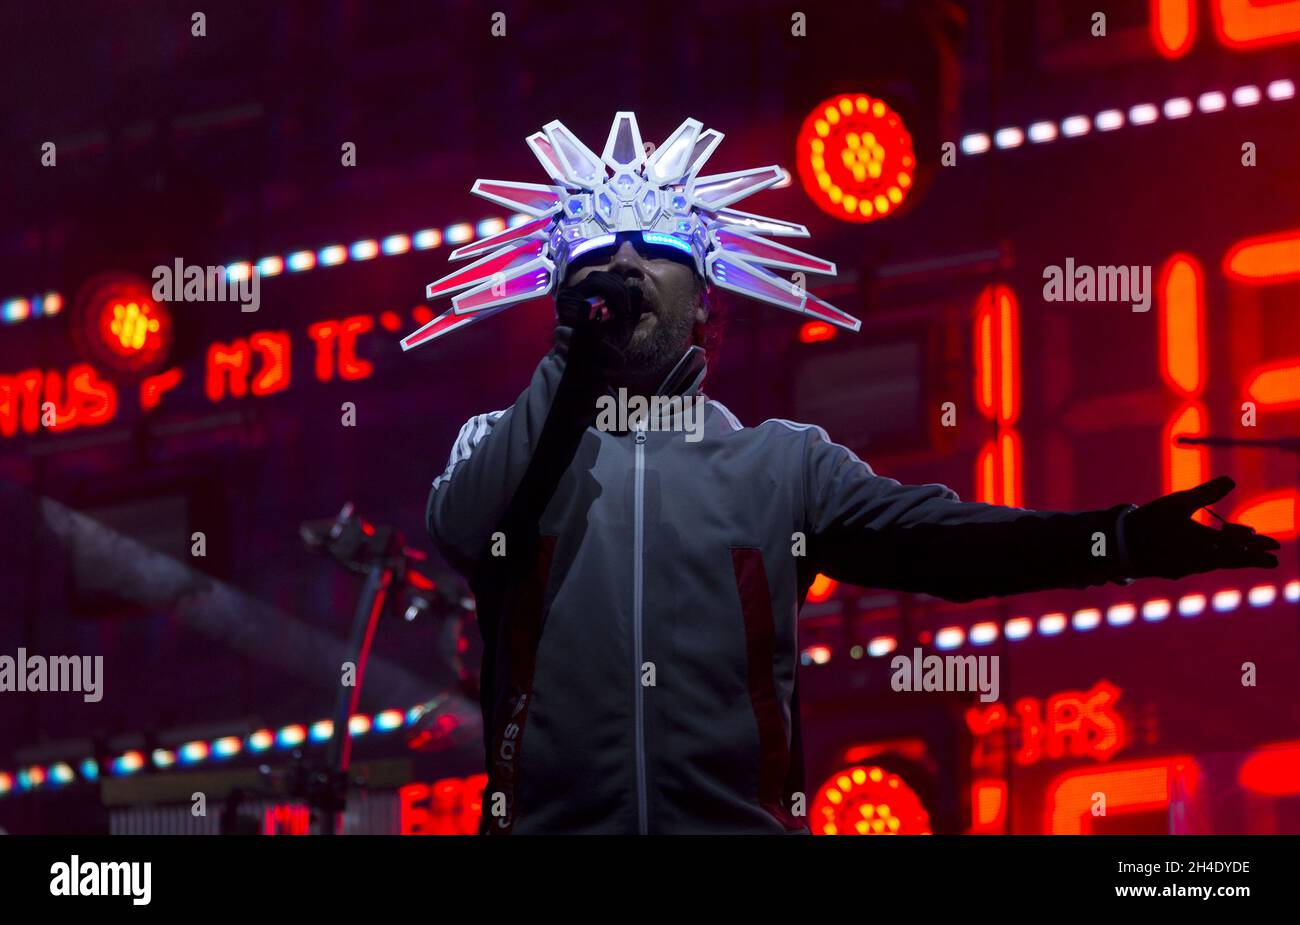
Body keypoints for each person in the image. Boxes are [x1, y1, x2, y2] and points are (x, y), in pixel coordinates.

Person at [417, 114, 1279, 834]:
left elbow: (944, 544)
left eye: (656, 245)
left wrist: (1118, 538)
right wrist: (571, 355)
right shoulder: (501, 444)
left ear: (707, 298)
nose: (625, 264)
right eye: (598, 253)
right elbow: (465, 528)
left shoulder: (780, 464)